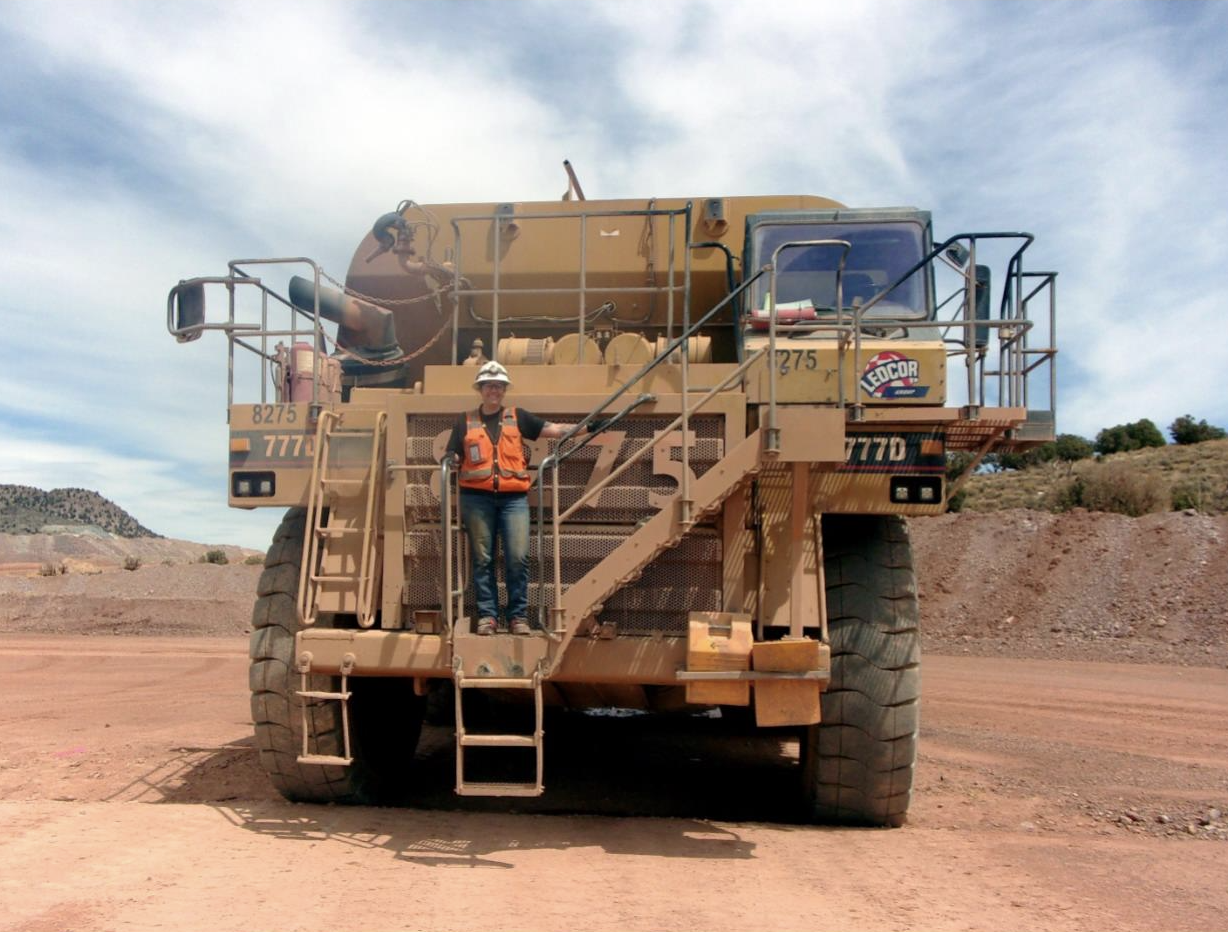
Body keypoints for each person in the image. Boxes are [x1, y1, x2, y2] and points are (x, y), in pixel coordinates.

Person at [445, 360, 573, 636]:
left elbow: (554, 430)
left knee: (518, 557)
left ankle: (518, 617)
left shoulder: (518, 417)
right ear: (480, 389)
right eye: (489, 385)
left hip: (513, 500)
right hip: (476, 499)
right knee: (482, 559)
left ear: (504, 390)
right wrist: (451, 458)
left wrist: (590, 427)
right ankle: (488, 616)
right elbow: (453, 452)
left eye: (499, 386)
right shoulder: (464, 421)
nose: (494, 390)